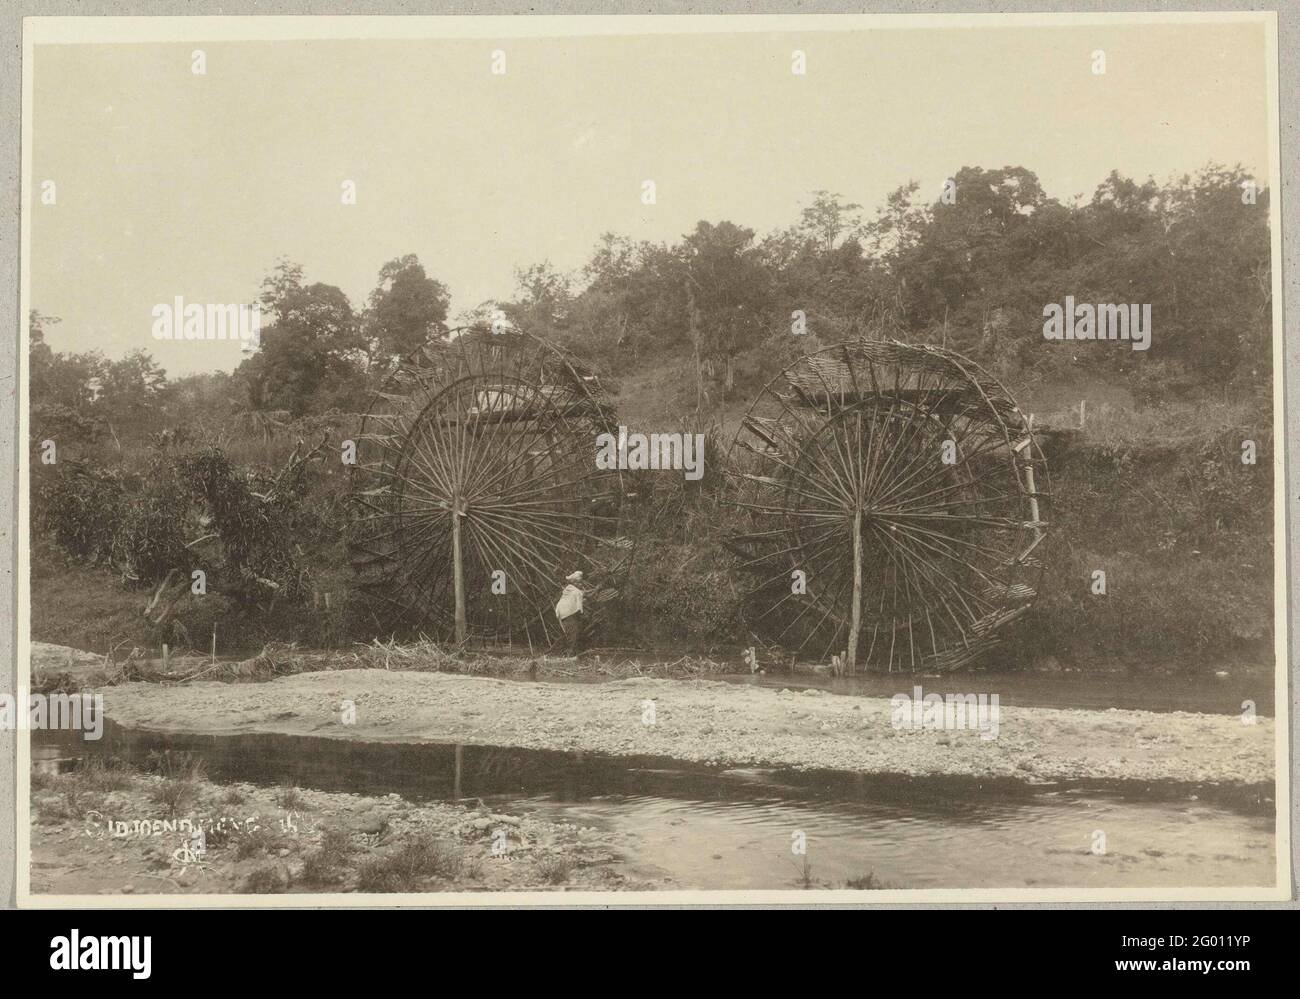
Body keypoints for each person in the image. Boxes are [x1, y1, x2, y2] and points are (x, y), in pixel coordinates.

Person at [554, 570, 584, 656]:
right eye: (579, 582)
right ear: (574, 582)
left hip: (561, 615)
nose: (580, 584)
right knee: (573, 635)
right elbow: (579, 608)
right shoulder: (577, 592)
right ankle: (570, 656)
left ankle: (564, 654)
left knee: (566, 634)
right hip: (570, 615)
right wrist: (581, 616)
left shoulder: (567, 590)